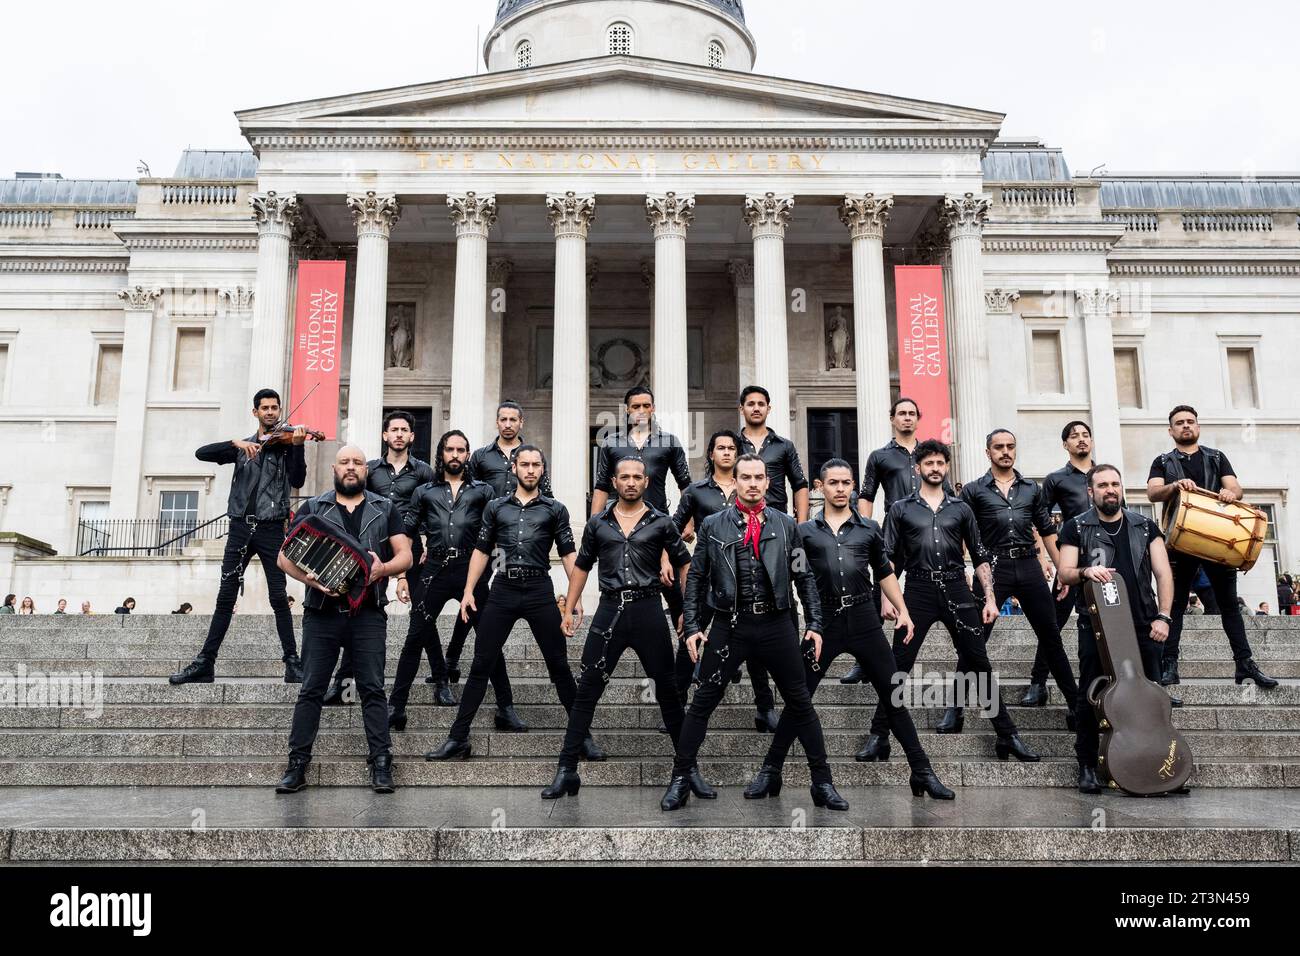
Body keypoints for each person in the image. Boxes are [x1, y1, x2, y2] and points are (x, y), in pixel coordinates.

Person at [744, 460, 954, 800]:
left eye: (846, 483)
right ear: (820, 487)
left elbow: (884, 573)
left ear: (853, 485)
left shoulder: (869, 528)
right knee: (800, 700)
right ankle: (771, 771)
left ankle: (922, 772)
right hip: (823, 623)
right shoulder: (804, 532)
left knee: (894, 696)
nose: (840, 489)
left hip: (864, 620)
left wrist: (903, 611)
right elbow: (794, 575)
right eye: (833, 483)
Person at [662, 453, 844, 811]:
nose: (752, 483)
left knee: (801, 703)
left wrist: (816, 625)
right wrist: (694, 627)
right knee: (702, 703)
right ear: (737, 481)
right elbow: (697, 578)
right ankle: (680, 778)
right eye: (745, 477)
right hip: (731, 625)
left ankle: (822, 783)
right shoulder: (714, 525)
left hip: (776, 625)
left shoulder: (786, 525)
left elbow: (803, 577)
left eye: (759, 477)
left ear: (768, 482)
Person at [861, 440, 1039, 764]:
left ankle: (1008, 736)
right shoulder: (901, 509)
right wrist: (888, 600)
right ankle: (879, 736)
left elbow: (981, 556)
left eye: (940, 463)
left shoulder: (961, 509)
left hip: (958, 590)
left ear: (946, 467)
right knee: (897, 664)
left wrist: (989, 597)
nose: (935, 468)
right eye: (928, 463)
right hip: (917, 591)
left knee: (978, 662)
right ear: (917, 469)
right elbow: (887, 558)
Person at [425, 446, 605, 762]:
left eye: (537, 464)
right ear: (515, 468)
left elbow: (568, 554)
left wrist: (574, 599)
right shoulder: (495, 508)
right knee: (481, 664)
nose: (531, 470)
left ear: (542, 469)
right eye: (525, 464)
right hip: (503, 589)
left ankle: (582, 737)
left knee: (559, 666)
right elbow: (481, 551)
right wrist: (469, 590)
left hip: (538, 588)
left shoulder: (555, 509)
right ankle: (457, 738)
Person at [541, 456, 700, 800]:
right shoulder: (598, 523)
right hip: (609, 611)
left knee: (669, 694)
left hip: (648, 611)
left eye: (637, 477)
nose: (630, 482)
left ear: (645, 482)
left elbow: (686, 564)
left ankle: (688, 770)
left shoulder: (661, 522)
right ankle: (567, 769)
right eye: (624, 477)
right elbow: (581, 567)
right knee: (587, 691)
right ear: (614, 482)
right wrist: (568, 608)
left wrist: (688, 608)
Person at [275, 445, 413, 795]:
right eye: (345, 463)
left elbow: (406, 556)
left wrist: (383, 568)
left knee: (372, 688)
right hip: (321, 612)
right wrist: (312, 581)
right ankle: (297, 764)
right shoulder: (313, 507)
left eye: (358, 463)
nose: (351, 468)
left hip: (368, 612)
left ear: (366, 470)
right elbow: (283, 558)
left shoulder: (385, 507)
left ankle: (381, 762)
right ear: (334, 468)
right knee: (311, 689)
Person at [170, 388, 307, 685]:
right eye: (265, 408)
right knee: (225, 596)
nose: (270, 412)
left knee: (278, 596)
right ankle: (205, 662)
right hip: (240, 529)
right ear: (255, 412)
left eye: (275, 408)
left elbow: (298, 480)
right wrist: (234, 442)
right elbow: (201, 453)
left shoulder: (286, 447)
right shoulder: (241, 448)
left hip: (272, 528)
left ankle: (292, 663)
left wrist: (298, 446)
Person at [1055, 464, 1177, 794]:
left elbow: (1164, 574)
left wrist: (1163, 618)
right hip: (1096, 624)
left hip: (1145, 623)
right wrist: (1085, 572)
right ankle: (1087, 766)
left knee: (1152, 697)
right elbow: (1064, 572)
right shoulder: (1075, 528)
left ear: (1121, 488)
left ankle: (1161, 765)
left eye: (1115, 484)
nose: (1110, 489)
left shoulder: (1144, 526)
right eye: (1103, 485)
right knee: (1090, 695)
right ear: (1090, 492)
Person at [948, 429, 1079, 733]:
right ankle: (954, 710)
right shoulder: (972, 490)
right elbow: (958, 534)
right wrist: (962, 569)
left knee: (1052, 639)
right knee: (975, 640)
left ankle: (1076, 706)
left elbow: (1047, 531)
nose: (1005, 451)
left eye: (1010, 446)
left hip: (1029, 567)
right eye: (998, 447)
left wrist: (1064, 572)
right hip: (992, 567)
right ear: (988, 452)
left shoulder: (1031, 489)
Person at [389, 430, 519, 729]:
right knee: (414, 638)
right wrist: (401, 575)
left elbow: (499, 530)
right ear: (441, 453)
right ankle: (396, 707)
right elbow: (406, 534)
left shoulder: (483, 491)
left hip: (469, 569)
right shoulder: (424, 492)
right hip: (433, 569)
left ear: (467, 454)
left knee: (488, 639)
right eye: (450, 449)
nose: (456, 455)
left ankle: (505, 707)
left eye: (461, 450)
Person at [1147, 405, 1276, 688]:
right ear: (1171, 431)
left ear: (1198, 426)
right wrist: (1175, 486)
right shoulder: (1162, 461)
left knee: (1229, 606)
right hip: (1180, 543)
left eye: (1190, 421)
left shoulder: (1217, 457)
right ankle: (1170, 665)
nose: (1185, 426)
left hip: (1218, 543)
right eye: (1179, 423)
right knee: (1176, 605)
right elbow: (1153, 492)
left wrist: (1231, 492)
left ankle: (1244, 664)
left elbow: (1235, 488)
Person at [322, 410, 435, 706]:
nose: (398, 434)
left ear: (412, 436)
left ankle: (441, 679)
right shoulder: (370, 469)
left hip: (412, 551)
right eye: (393, 429)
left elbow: (432, 510)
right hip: (374, 551)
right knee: (356, 608)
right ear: (385, 435)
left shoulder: (424, 472)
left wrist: (423, 544)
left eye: (404, 430)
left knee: (423, 612)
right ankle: (343, 685)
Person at [671, 429, 778, 731]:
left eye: (732, 448)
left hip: (747, 584)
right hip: (709, 584)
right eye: (721, 448)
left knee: (757, 648)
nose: (727, 453)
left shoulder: (751, 485)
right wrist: (676, 560)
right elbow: (672, 529)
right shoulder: (696, 491)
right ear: (711, 454)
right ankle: (677, 702)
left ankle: (765, 708)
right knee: (688, 638)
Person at [844, 397, 952, 685]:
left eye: (911, 414)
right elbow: (867, 495)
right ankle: (864, 661)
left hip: (931, 535)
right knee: (872, 595)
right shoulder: (880, 456)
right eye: (901, 413)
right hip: (895, 533)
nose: (906, 418)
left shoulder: (930, 455)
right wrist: (864, 530)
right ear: (892, 418)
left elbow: (949, 493)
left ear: (918, 419)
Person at [1023, 420, 1095, 705]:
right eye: (1074, 436)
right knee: (1053, 624)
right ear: (1065, 444)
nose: (1081, 440)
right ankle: (1038, 682)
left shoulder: (1105, 476)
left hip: (1107, 560)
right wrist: (1043, 556)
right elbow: (1039, 520)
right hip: (1071, 558)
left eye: (1085, 435)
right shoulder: (1056, 479)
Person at [590, 386, 691, 517]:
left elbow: (685, 484)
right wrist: (593, 523)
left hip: (658, 519)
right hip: (620, 520)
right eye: (636, 407)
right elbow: (602, 486)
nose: (641, 411)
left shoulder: (670, 441)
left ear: (653, 408)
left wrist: (689, 521)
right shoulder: (611, 442)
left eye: (646, 406)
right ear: (627, 409)